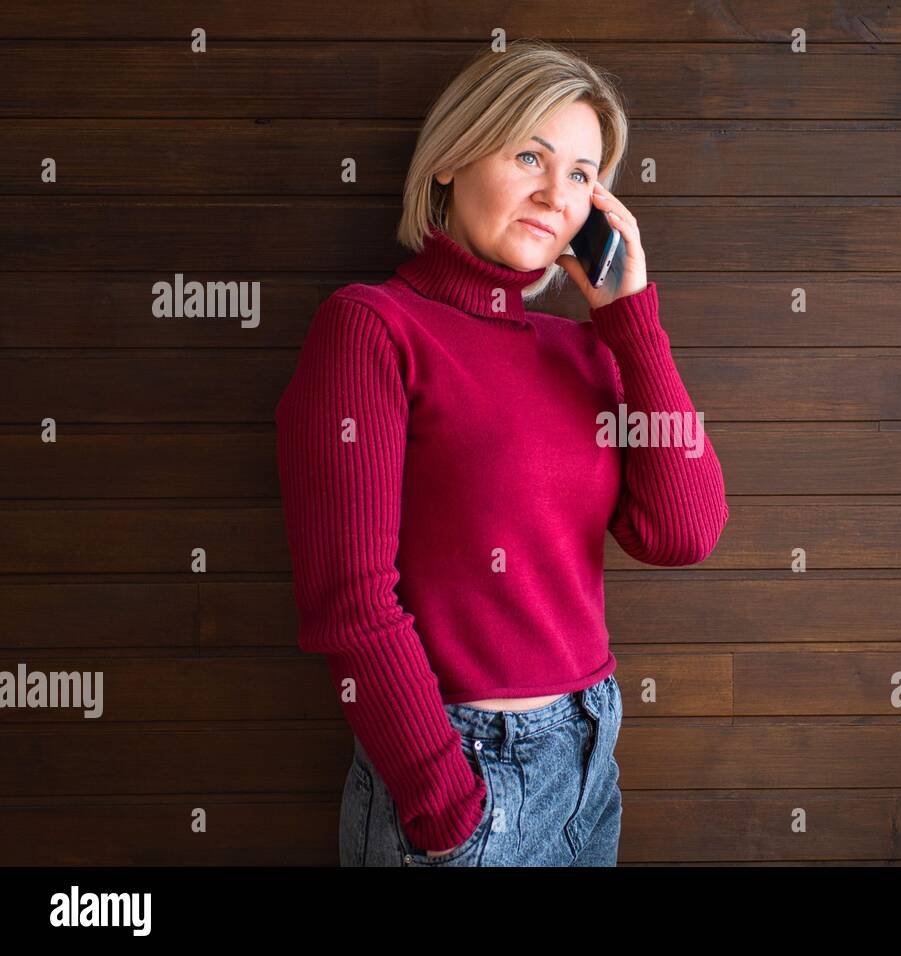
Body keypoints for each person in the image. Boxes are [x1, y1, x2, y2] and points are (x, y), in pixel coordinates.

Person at [274, 39, 729, 866]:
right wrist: (448, 806)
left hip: (590, 754)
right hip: (464, 773)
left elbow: (683, 532)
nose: (558, 194)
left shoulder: (585, 349)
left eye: (585, 175)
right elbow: (350, 602)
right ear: (450, 158)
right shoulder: (372, 327)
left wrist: (631, 321)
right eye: (531, 155)